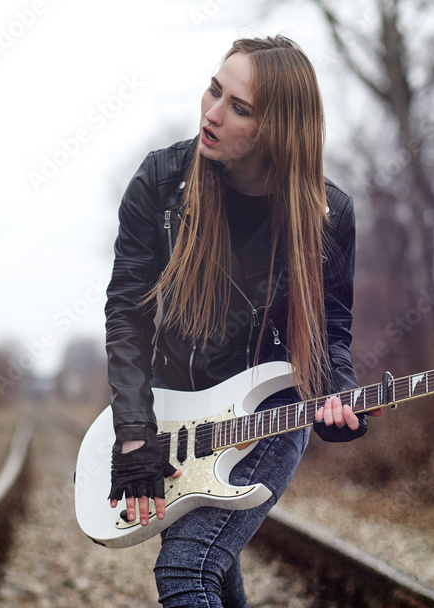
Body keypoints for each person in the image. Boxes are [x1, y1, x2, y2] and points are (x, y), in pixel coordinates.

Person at [103, 34, 381, 606]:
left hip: (270, 413)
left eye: (239, 107)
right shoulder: (161, 184)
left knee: (186, 569)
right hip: (181, 409)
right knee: (209, 567)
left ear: (276, 131)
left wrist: (340, 398)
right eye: (214, 90)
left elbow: (332, 331)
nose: (212, 113)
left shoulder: (329, 216)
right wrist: (134, 434)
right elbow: (128, 315)